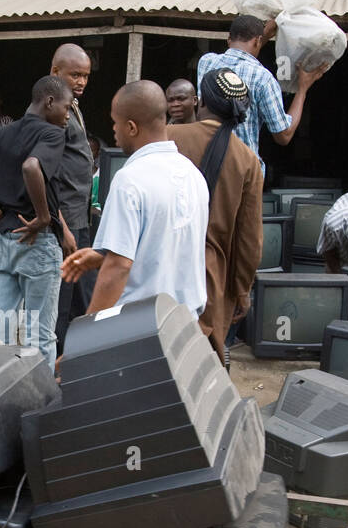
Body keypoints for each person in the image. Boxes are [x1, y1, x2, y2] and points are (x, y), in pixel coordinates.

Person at [62, 81, 209, 322]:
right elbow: (163, 243)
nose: (113, 130)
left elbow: (118, 268)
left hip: (140, 328)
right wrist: (103, 256)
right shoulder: (193, 175)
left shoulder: (130, 180)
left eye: (115, 122)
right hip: (185, 323)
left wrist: (83, 339)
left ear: (131, 127)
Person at [0, 75, 77, 369]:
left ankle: (1, 392)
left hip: (8, 240)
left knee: (3, 330)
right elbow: (32, 166)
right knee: (40, 335)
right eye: (67, 106)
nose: (68, 115)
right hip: (38, 241)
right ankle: (44, 406)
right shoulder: (51, 134)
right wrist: (44, 217)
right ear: (49, 101)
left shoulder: (3, 133)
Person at [168, 68, 264, 364]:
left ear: (200, 101)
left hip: (163, 264)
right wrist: (242, 289)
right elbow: (249, 240)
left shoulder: (167, 136)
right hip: (211, 280)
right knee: (200, 368)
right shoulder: (248, 160)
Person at [195, 15, 326, 172]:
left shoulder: (206, 62)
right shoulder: (263, 79)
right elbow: (284, 135)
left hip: (206, 165)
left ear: (229, 39)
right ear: (257, 41)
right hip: (243, 171)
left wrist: (261, 36)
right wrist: (302, 89)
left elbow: (238, 56)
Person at [49, 43, 96, 351]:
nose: (81, 82)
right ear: (56, 72)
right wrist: (63, 226)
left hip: (79, 217)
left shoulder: (71, 105)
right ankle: (59, 364)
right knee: (63, 304)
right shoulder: (53, 112)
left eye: (86, 76)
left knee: (84, 296)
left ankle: (79, 357)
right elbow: (45, 174)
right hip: (66, 221)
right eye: (75, 74)